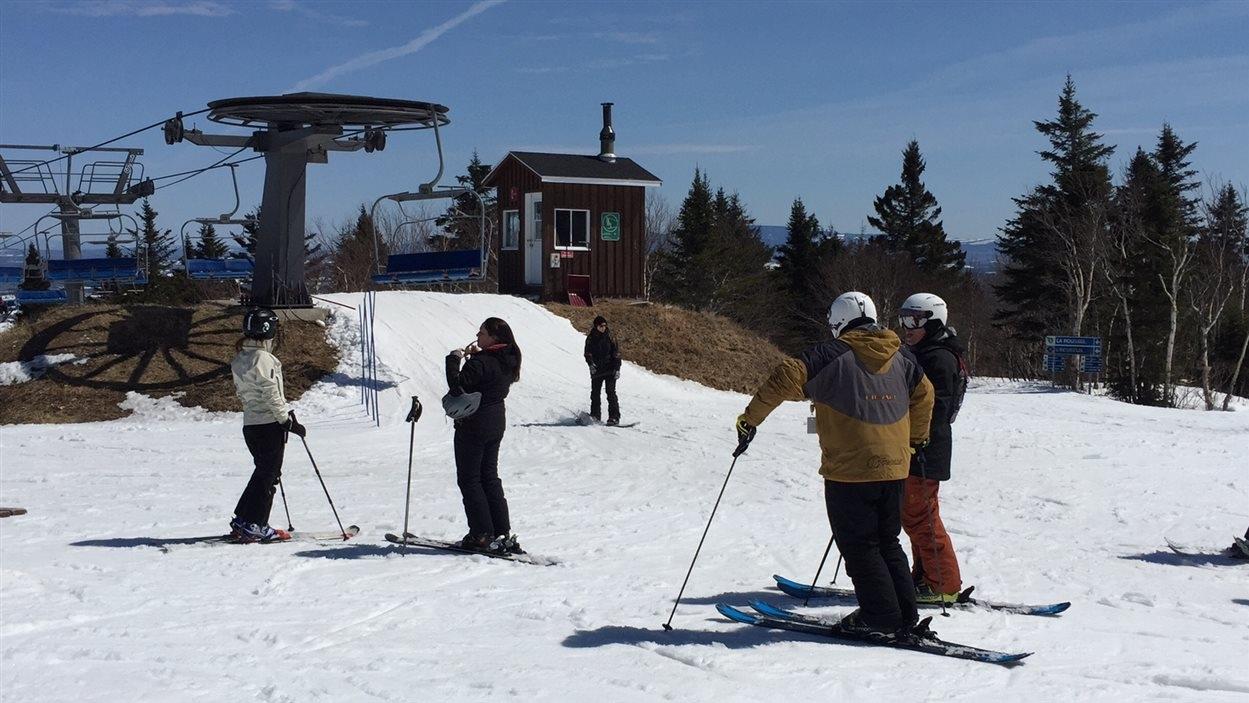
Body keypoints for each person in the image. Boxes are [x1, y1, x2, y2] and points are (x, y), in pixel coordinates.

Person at [736, 292, 934, 637]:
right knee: (887, 541)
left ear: (838, 322)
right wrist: (915, 440)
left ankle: (881, 617)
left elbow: (786, 374)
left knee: (860, 545)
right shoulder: (901, 355)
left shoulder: (831, 354)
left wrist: (749, 419)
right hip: (895, 466)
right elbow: (925, 393)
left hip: (851, 469)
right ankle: (904, 613)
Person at [897, 293, 969, 604]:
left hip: (925, 448)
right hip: (919, 447)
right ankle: (926, 575)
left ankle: (943, 583)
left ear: (934, 321)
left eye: (914, 320)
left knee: (921, 517)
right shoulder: (928, 352)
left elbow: (935, 409)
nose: (907, 327)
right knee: (914, 516)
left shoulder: (937, 358)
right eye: (903, 318)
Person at [446, 317, 524, 554]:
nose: (477, 336)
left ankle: (481, 534)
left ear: (493, 337)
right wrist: (477, 357)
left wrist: (454, 359)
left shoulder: (482, 362)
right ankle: (501, 531)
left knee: (470, 479)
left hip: (474, 423)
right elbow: (486, 374)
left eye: (481, 333)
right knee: (489, 477)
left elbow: (457, 386)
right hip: (495, 421)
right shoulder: (508, 357)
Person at [229, 307, 304, 543]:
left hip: (251, 425)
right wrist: (286, 420)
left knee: (262, 472)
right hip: (268, 424)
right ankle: (256, 524)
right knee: (269, 475)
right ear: (267, 329)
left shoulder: (240, 358)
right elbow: (271, 393)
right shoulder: (264, 358)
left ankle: (243, 518)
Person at [583, 315, 622, 425]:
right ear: (596, 326)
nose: (603, 328)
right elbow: (587, 353)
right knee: (595, 393)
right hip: (597, 370)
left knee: (610, 392)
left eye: (605, 325)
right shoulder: (590, 338)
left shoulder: (610, 336)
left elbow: (617, 354)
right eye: (601, 326)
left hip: (610, 368)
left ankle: (614, 417)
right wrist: (591, 364)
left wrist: (617, 368)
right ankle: (595, 415)